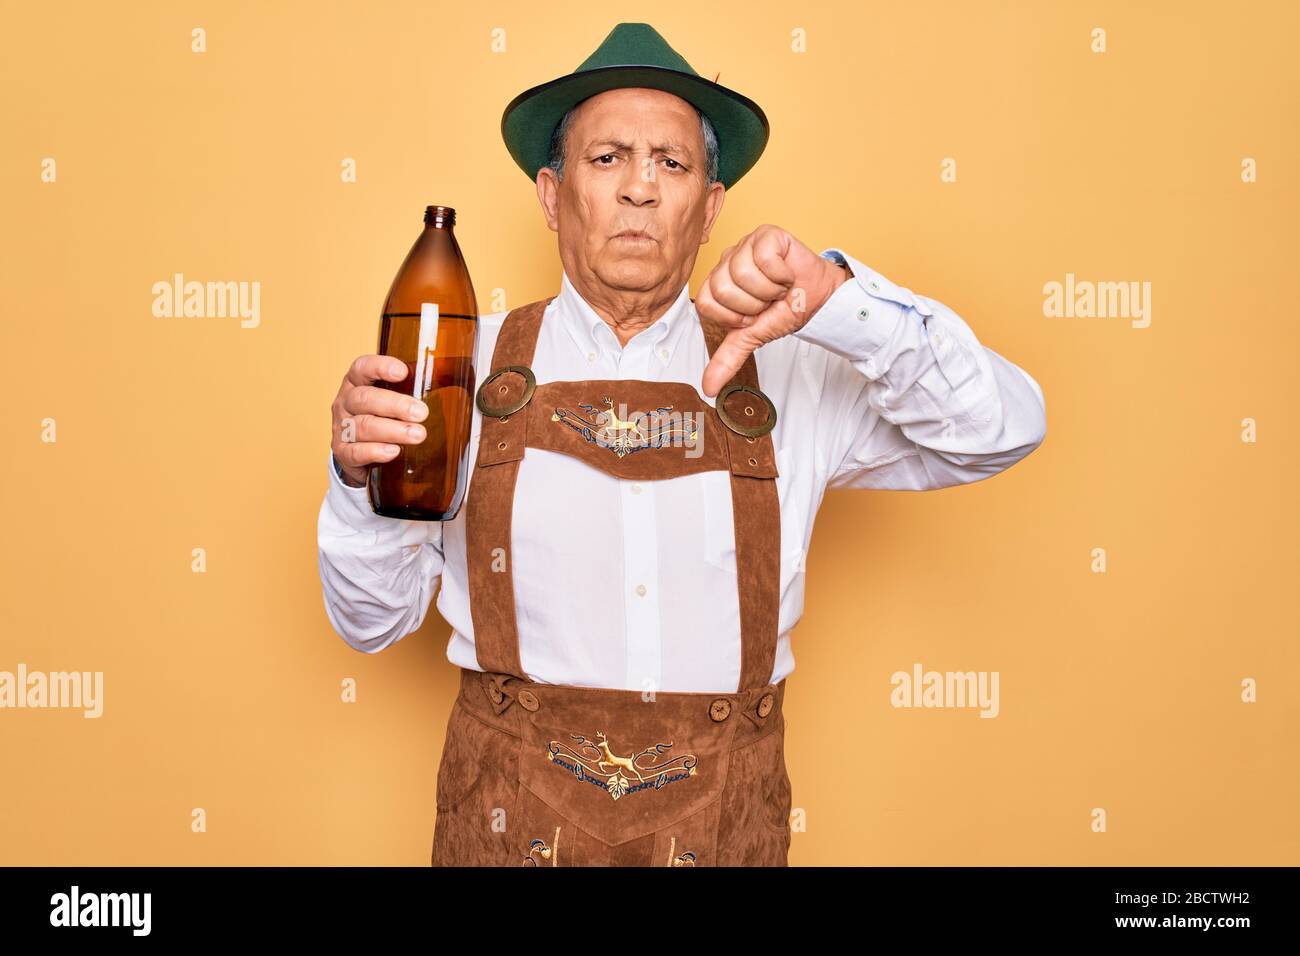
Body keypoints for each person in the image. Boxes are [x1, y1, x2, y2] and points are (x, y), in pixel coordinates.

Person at [317, 22, 1046, 866]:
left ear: (710, 207)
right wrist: (352, 478)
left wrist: (839, 300)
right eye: (607, 159)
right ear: (552, 197)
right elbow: (370, 623)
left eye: (672, 164)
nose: (639, 189)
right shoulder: (456, 368)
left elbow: (1003, 428)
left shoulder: (793, 367)